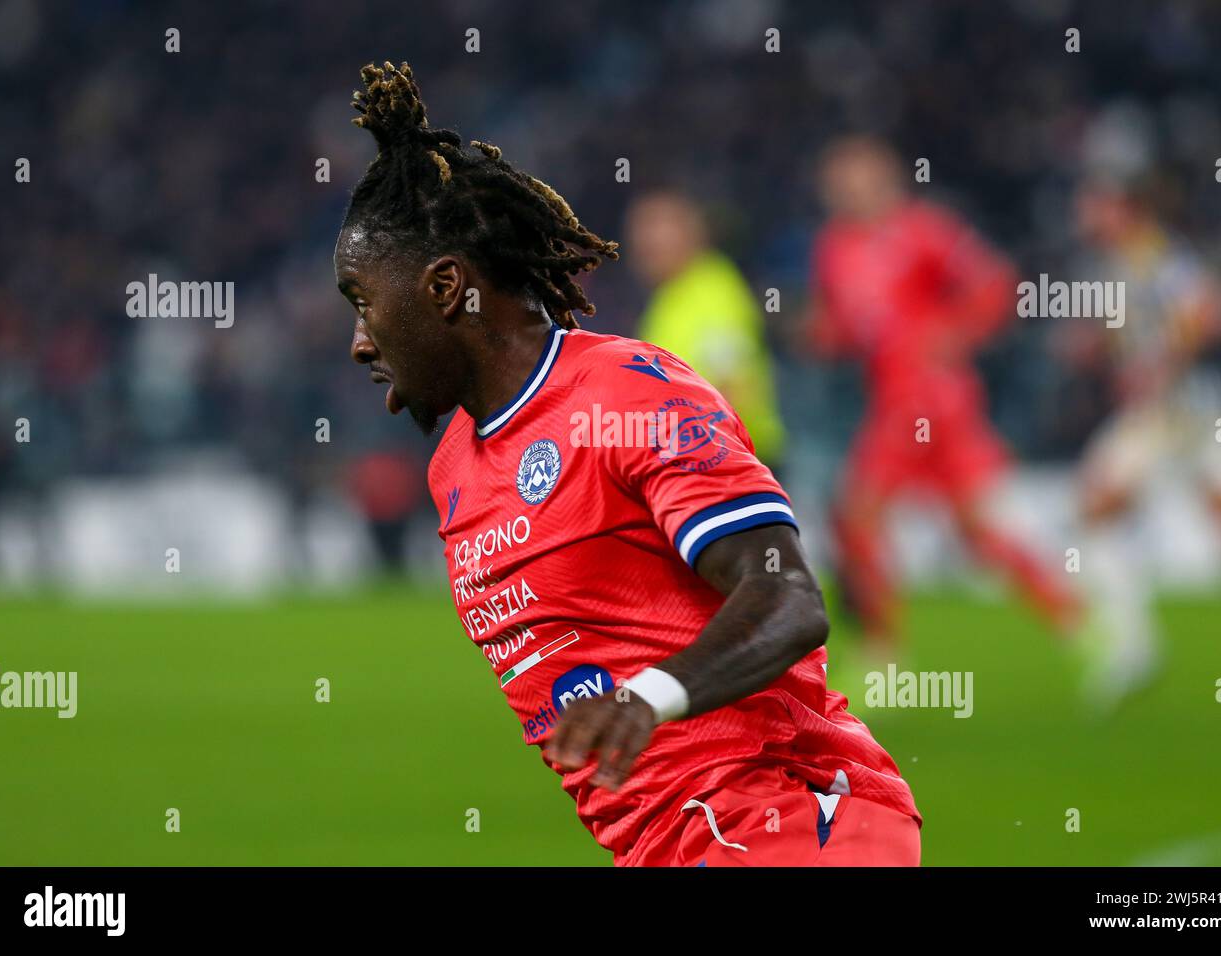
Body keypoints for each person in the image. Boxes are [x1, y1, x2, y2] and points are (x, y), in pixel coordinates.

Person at [333, 62, 920, 866]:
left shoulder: (626, 396)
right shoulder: (453, 471)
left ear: (443, 289)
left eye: (363, 301)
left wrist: (650, 696)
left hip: (785, 823)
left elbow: (786, 597)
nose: (360, 340)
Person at [806, 136, 1080, 660]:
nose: (847, 186)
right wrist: (825, 336)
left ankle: (883, 651)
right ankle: (1077, 622)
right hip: (894, 395)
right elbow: (850, 327)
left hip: (928, 395)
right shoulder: (834, 247)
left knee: (858, 514)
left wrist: (956, 332)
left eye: (858, 174)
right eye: (838, 178)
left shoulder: (924, 230)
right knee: (975, 529)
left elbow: (996, 283)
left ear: (886, 176)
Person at [1064, 175, 1221, 707]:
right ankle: (1134, 647)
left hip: (1193, 409)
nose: (1086, 213)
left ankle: (1134, 646)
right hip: (1159, 415)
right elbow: (1133, 334)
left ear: (1124, 209)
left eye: (1096, 203)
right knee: (1096, 507)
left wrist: (1162, 365)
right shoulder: (1118, 266)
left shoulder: (1161, 259)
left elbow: (1209, 313)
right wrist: (1101, 347)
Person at [625, 191, 786, 467]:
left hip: (731, 462)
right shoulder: (669, 298)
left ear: (693, 234)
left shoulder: (714, 293)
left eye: (659, 231)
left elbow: (733, 388)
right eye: (641, 234)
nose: (647, 243)